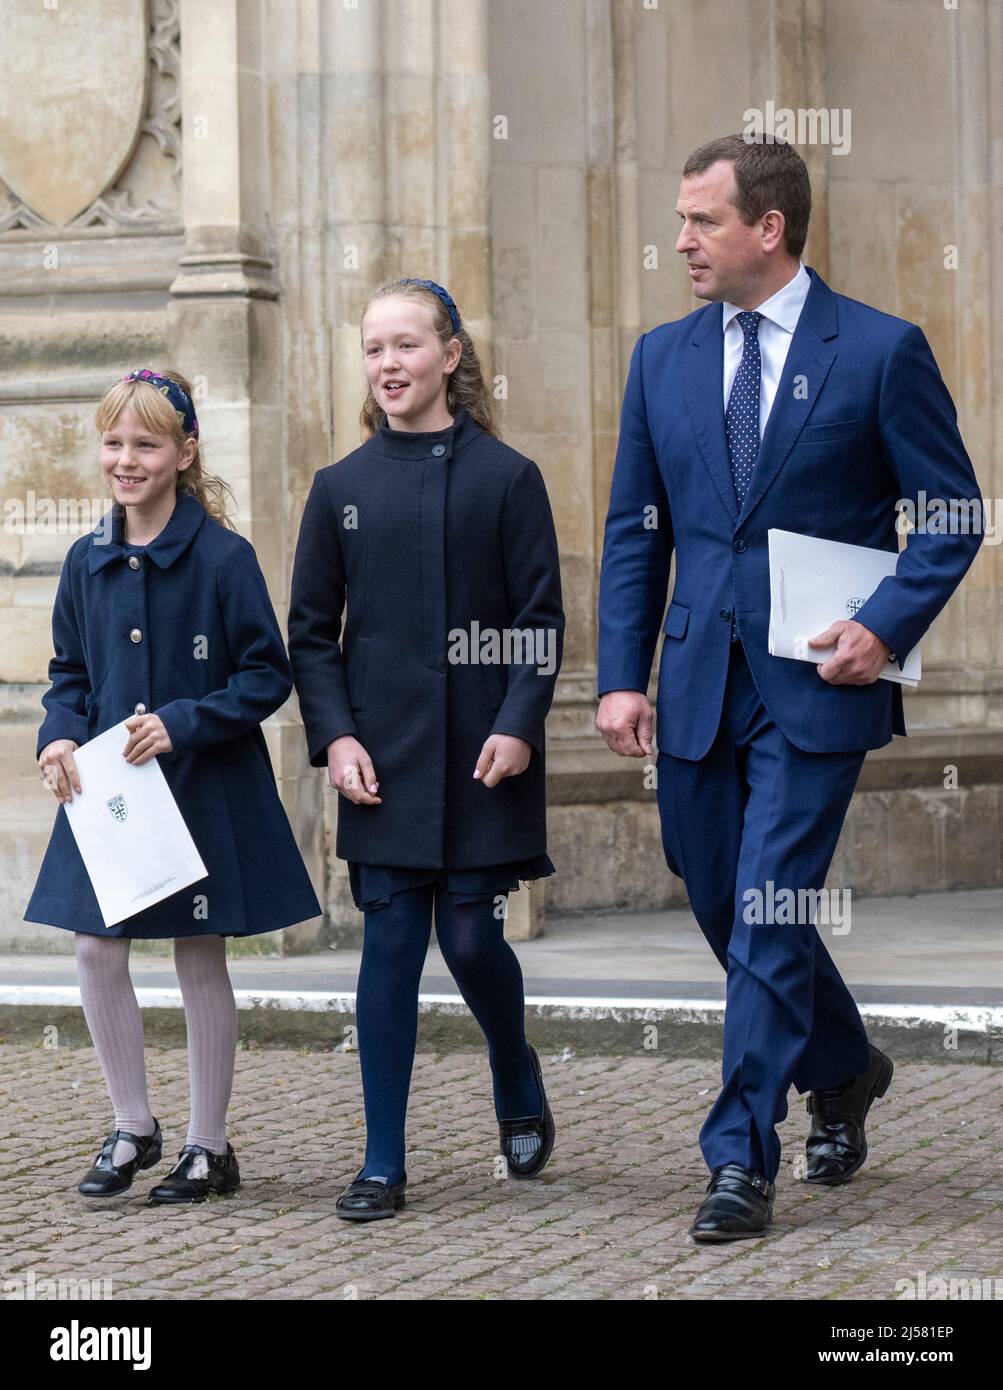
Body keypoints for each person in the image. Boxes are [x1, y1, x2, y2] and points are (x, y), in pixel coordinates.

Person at [596, 136, 983, 1241]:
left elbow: (951, 514)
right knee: (725, 903)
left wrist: (884, 625)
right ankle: (847, 1065)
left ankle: (737, 1155)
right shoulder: (659, 359)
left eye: (700, 221)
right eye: (680, 221)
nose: (679, 241)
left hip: (817, 685)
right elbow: (635, 530)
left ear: (768, 227)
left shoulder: (877, 350)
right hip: (694, 682)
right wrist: (623, 675)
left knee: (770, 908)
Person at [288, 277, 565, 1220]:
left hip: (485, 751)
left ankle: (512, 1063)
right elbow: (310, 636)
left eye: (406, 345)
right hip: (382, 758)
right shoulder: (339, 490)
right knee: (393, 944)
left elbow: (540, 623)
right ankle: (380, 1161)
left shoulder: (508, 478)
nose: (388, 363)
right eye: (373, 349)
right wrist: (335, 739)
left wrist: (518, 724)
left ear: (450, 355)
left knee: (471, 938)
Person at [24, 368, 322, 1204]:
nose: (126, 459)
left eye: (146, 444)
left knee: (200, 958)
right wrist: (58, 737)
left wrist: (185, 721)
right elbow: (68, 672)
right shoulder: (86, 559)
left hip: (204, 787)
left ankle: (208, 1146)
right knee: (94, 947)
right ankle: (132, 1127)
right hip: (107, 796)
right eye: (114, 443)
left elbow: (268, 675)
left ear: (184, 452)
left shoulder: (225, 558)